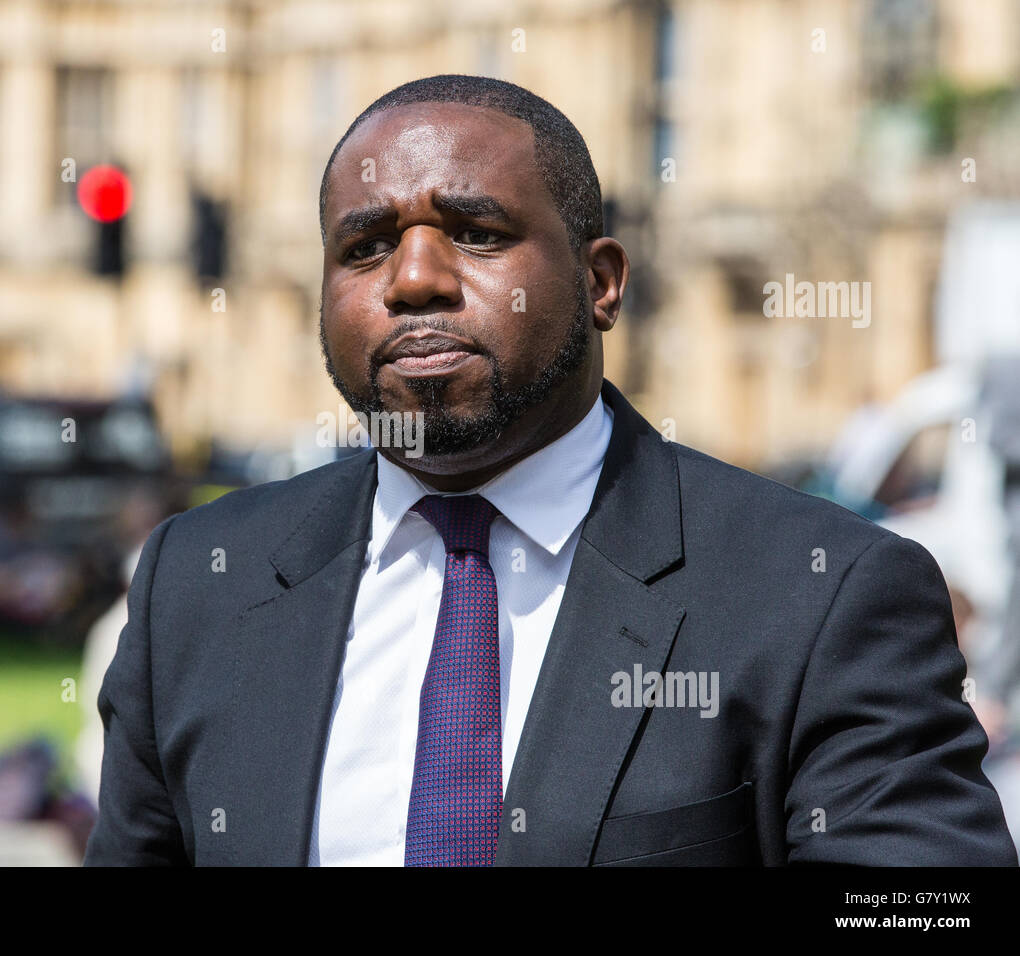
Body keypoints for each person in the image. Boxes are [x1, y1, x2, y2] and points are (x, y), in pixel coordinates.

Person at [84, 74, 1016, 866]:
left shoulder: (821, 593)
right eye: (364, 247)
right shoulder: (198, 586)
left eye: (477, 234)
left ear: (602, 281)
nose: (413, 278)